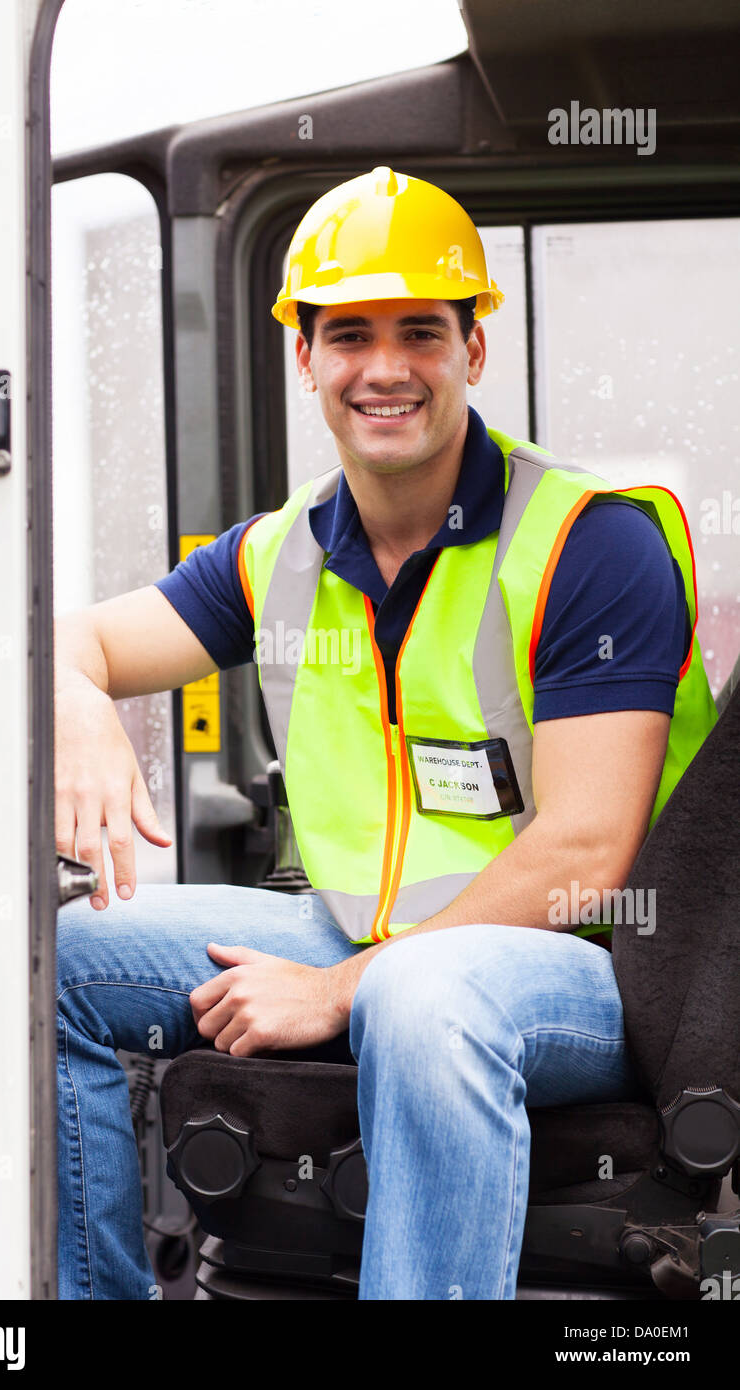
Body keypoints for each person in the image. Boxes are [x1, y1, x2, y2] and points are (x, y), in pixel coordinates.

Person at [54, 166, 717, 1300]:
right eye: (349, 333)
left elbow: (582, 856)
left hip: (586, 972)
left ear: (473, 348)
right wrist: (77, 707)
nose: (385, 367)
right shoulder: (280, 553)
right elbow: (78, 639)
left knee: (420, 997)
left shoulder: (587, 544)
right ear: (305, 358)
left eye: (420, 330)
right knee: (56, 960)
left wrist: (344, 986)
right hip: (353, 934)